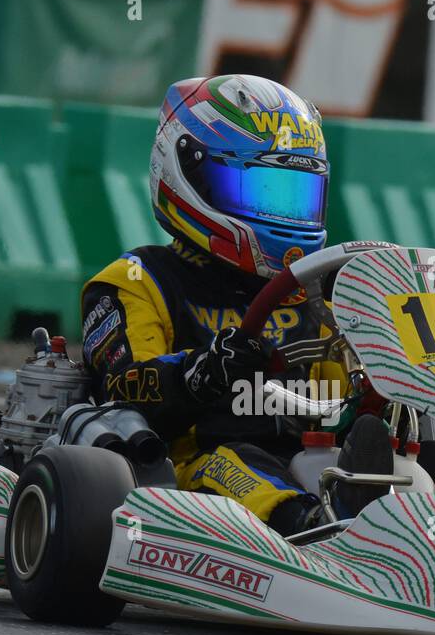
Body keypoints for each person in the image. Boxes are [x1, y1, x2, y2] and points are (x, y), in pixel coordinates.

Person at [78, 74, 390, 535]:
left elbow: (348, 397)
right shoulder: (140, 280)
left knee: (431, 454)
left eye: (296, 197)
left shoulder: (321, 293)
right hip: (191, 469)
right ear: (190, 172)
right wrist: (199, 374)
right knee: (241, 462)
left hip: (322, 458)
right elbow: (122, 389)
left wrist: (390, 386)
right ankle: (316, 530)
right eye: (263, 192)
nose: (283, 216)